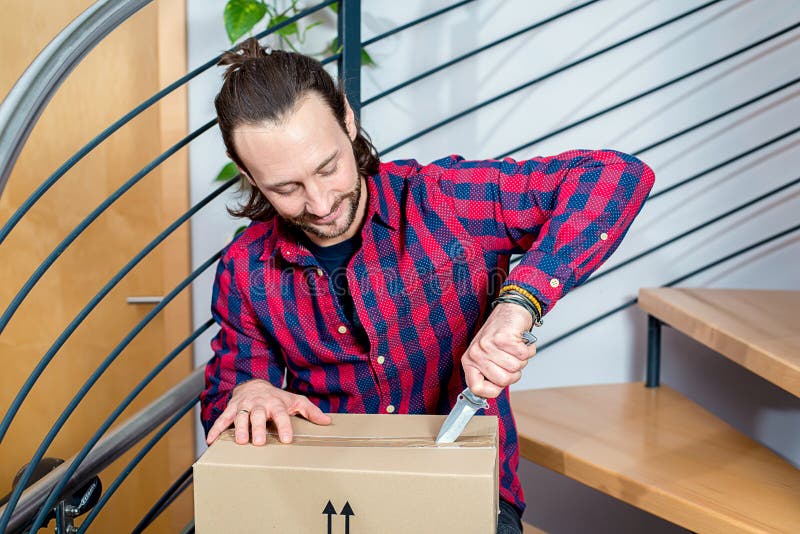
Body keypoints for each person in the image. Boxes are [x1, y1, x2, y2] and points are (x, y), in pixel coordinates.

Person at [200, 37, 655, 533]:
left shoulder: (448, 202)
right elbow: (233, 392)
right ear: (248, 174)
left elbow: (616, 175)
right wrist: (251, 394)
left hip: (464, 492)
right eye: (286, 188)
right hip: (326, 496)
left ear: (348, 121)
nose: (320, 203)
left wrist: (518, 303)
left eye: (328, 167)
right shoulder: (246, 266)